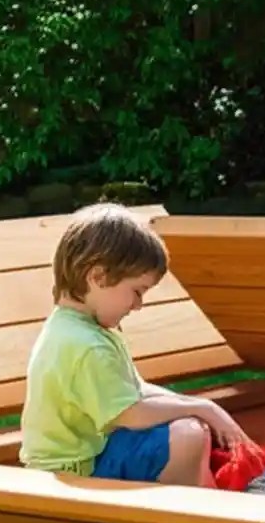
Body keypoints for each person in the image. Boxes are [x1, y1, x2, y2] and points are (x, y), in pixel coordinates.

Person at [18, 202, 252, 486]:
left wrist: (200, 406)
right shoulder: (86, 346)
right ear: (98, 276)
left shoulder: (80, 328)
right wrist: (201, 409)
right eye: (137, 292)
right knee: (186, 436)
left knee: (190, 428)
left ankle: (211, 498)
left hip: (91, 457)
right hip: (77, 471)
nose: (139, 305)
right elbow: (131, 412)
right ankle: (195, 512)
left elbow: (135, 391)